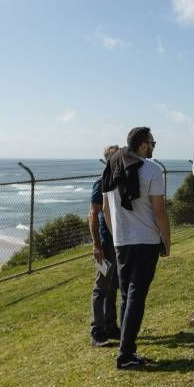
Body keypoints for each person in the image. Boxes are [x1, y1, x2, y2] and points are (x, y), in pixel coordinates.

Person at [103, 127, 171, 369]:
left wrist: (116, 235)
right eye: (153, 142)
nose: (154, 146)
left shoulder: (113, 166)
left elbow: (105, 209)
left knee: (126, 296)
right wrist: (167, 240)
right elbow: (159, 211)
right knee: (136, 297)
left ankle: (127, 349)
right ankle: (125, 354)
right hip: (146, 241)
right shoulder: (152, 169)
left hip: (122, 241)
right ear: (143, 145)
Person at [89, 145, 122, 347]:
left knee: (113, 285)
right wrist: (96, 244)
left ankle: (111, 326)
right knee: (102, 286)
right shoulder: (101, 183)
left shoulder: (120, 183)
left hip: (119, 241)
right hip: (105, 242)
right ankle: (97, 331)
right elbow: (93, 214)